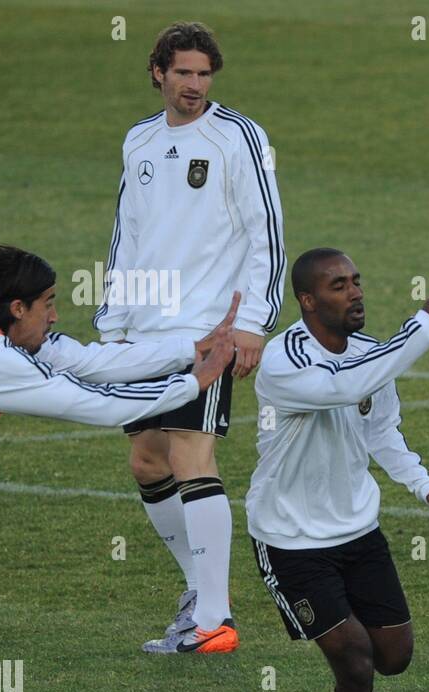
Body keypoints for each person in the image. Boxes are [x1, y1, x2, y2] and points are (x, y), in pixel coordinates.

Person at [246, 248, 429, 692]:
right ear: (307, 300)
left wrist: (424, 485)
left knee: (392, 657)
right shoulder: (285, 361)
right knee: (353, 658)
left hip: (357, 532)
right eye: (337, 285)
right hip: (290, 538)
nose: (354, 293)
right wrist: (423, 328)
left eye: (355, 281)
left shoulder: (373, 357)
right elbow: (341, 388)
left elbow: (382, 431)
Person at [93, 21, 286, 655]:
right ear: (158, 73)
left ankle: (212, 623)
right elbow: (128, 235)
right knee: (146, 459)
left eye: (204, 74)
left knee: (189, 457)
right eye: (183, 73)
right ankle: (203, 598)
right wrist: (113, 326)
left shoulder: (238, 137)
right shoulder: (139, 140)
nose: (195, 85)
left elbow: (267, 233)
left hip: (208, 331)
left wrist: (255, 323)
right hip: (144, 331)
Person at [0, 241, 235, 479]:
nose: (54, 317)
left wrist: (190, 349)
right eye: (48, 304)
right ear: (18, 308)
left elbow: (90, 362)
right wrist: (194, 382)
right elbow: (98, 402)